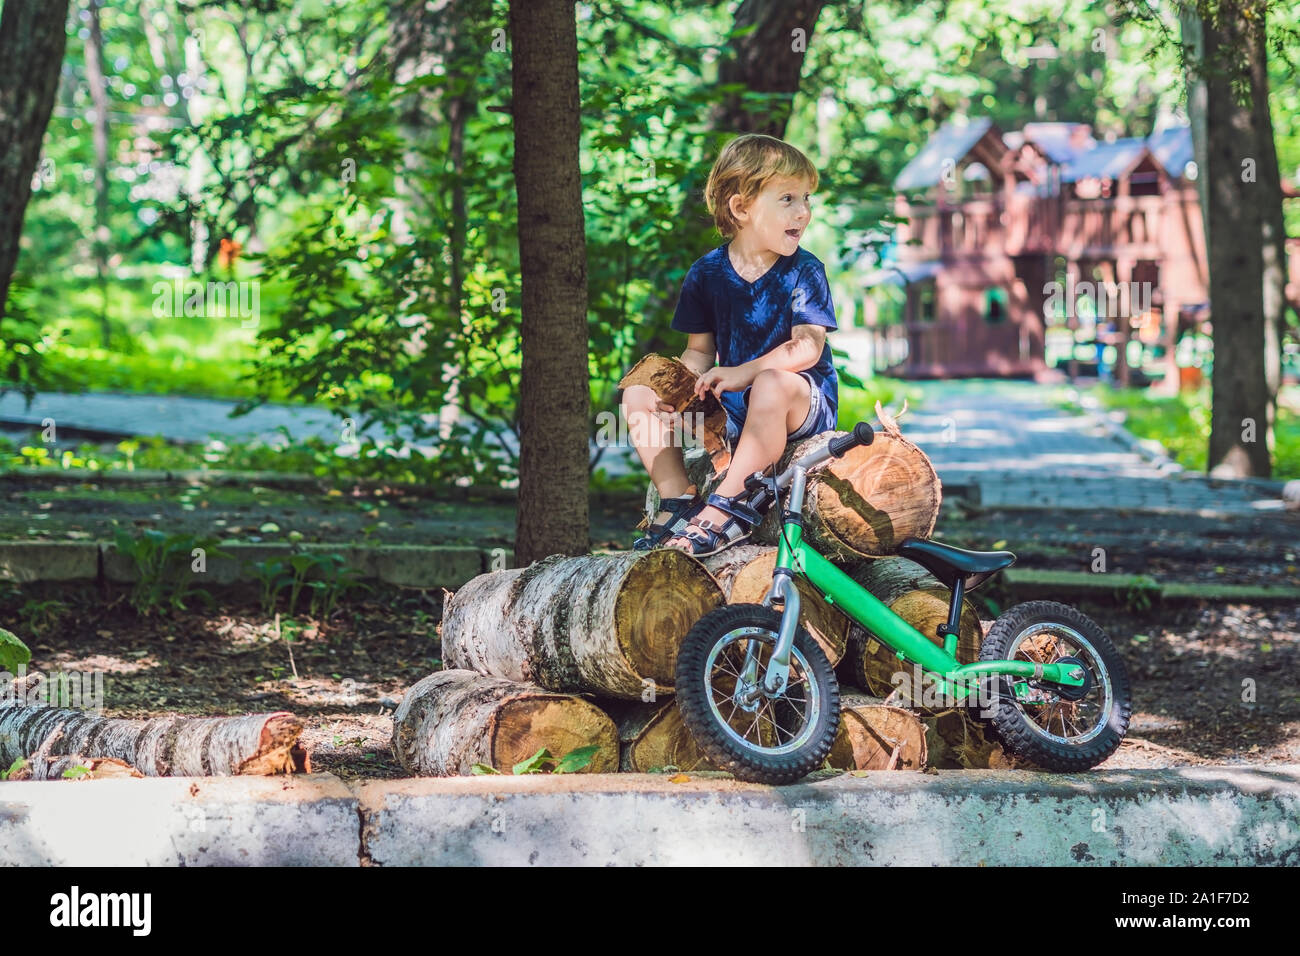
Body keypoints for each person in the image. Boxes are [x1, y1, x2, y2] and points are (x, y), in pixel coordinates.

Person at [619, 133, 839, 557]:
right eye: (789, 199)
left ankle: (730, 503)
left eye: (807, 198)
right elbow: (699, 351)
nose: (804, 212)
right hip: (734, 409)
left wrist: (744, 373)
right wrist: (685, 387)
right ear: (741, 208)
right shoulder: (707, 273)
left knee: (771, 383)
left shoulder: (805, 270)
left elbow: (807, 348)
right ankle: (677, 498)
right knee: (639, 392)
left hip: (799, 402)